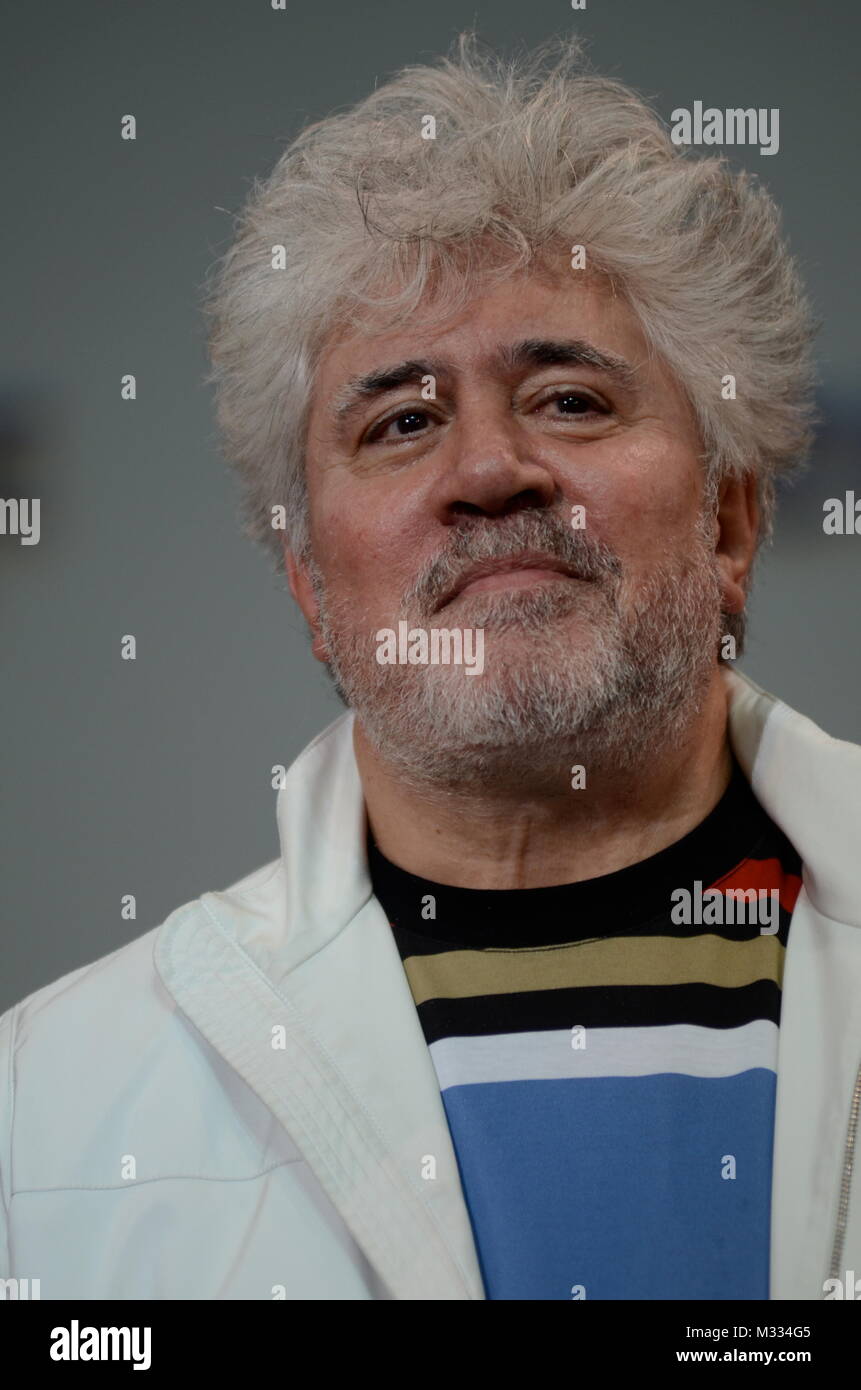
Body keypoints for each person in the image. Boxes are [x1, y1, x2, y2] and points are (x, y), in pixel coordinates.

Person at [2, 32, 859, 1302]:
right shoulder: (49, 1104)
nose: (486, 470)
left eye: (570, 398)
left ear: (729, 519)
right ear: (308, 584)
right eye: (401, 422)